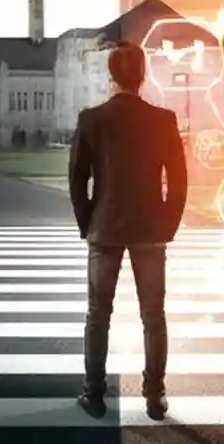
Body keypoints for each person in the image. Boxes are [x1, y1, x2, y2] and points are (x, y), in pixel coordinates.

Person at [69, 40, 189, 421]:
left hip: (105, 227)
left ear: (111, 76)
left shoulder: (91, 119)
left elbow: (77, 179)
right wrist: (168, 223)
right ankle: (155, 397)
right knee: (153, 315)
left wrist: (88, 222)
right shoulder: (164, 119)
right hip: (151, 227)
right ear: (142, 76)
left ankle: (94, 394)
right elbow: (180, 181)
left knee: (97, 314)